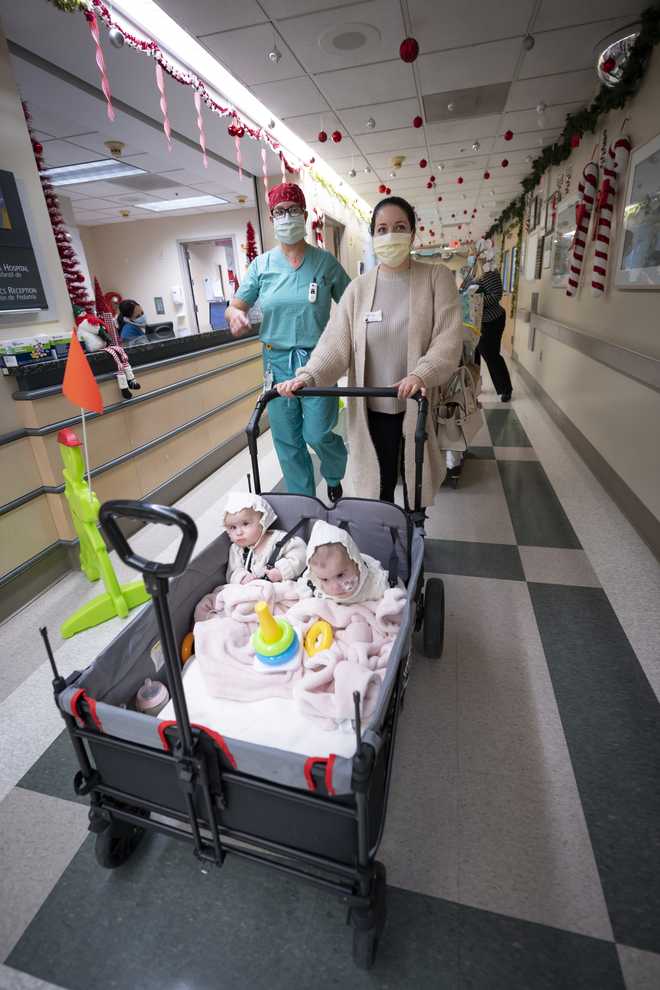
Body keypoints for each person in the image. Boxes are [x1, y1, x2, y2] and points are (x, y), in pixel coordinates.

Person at [276, 196, 463, 507]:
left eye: (400, 227)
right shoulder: (358, 289)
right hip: (372, 410)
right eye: (382, 228)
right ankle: (384, 537)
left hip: (418, 405)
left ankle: (415, 534)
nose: (391, 235)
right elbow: (335, 345)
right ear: (374, 236)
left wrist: (421, 374)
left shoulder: (436, 278)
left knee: (417, 484)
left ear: (413, 233)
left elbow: (448, 340)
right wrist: (308, 376)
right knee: (379, 487)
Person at [224, 182, 350, 501]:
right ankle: (304, 504)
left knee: (317, 433)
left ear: (304, 215)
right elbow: (236, 305)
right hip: (275, 363)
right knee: (287, 440)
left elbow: (352, 303)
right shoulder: (261, 266)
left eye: (293, 210)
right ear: (271, 218)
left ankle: (334, 471)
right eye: (279, 212)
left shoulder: (325, 263)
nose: (286, 217)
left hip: (319, 362)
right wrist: (234, 315)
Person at [193, 492, 307, 621]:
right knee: (220, 597)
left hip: (277, 590)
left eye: (245, 524)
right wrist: (241, 577)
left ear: (263, 521)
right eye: (232, 527)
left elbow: (300, 553)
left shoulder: (278, 540)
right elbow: (232, 572)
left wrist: (282, 571)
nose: (239, 532)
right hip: (251, 595)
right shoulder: (236, 550)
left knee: (295, 597)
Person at [301, 520, 390, 605]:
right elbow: (302, 588)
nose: (334, 587)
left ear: (356, 563)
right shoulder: (314, 582)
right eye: (325, 579)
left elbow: (394, 600)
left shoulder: (376, 585)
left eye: (340, 575)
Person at [468, 243, 513, 402]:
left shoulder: (490, 274)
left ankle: (505, 389)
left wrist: (476, 300)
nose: (471, 257)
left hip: (492, 320)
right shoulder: (474, 274)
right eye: (471, 254)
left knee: (491, 355)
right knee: (474, 357)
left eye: (474, 254)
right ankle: (475, 387)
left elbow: (496, 295)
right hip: (477, 322)